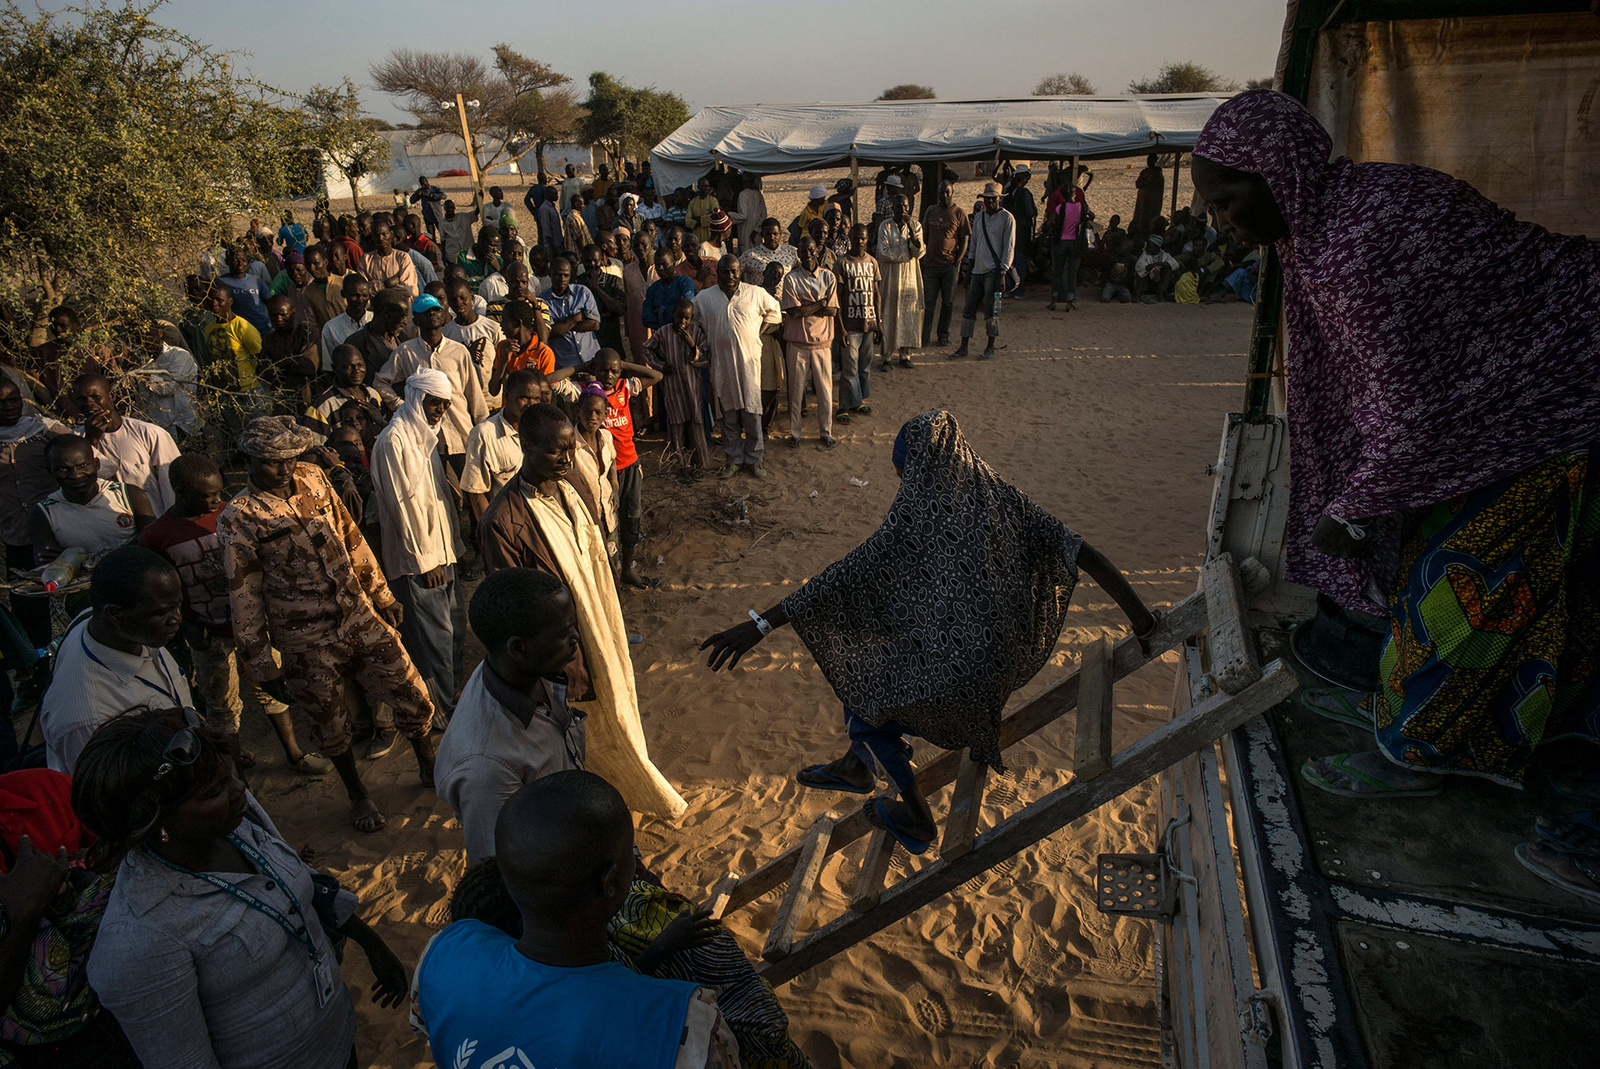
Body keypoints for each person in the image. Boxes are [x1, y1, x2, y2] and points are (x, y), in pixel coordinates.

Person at [1189, 91, 1600, 898]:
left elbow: (1415, 409)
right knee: (1469, 581)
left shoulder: (1355, 251)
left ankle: (1424, 749)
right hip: (1521, 406)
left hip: (1550, 405)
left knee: (1462, 592)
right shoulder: (1339, 214)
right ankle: (1453, 726)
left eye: (1228, 200)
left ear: (1278, 175)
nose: (1220, 222)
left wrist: (1353, 505)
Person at [702, 411, 1158, 852]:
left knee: (866, 690)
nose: (905, 486)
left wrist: (760, 625)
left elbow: (840, 578)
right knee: (870, 645)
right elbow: (1085, 553)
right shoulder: (1001, 497)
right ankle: (856, 764)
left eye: (905, 475)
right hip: (997, 655)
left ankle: (917, 818)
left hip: (961, 673)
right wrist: (1141, 620)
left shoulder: (916, 516)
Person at [78, 707, 409, 1069]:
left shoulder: (233, 821)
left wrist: (372, 944)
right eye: (215, 791)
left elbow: (298, 882)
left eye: (231, 775)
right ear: (155, 820)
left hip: (336, 1037)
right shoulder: (140, 938)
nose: (240, 789)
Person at [411, 771, 737, 1067]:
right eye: (630, 851)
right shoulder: (685, 1027)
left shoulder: (441, 956)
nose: (637, 863)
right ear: (610, 882)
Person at [221, 416, 438, 832]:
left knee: (410, 690)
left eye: (289, 458)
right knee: (328, 722)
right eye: (272, 462)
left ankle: (428, 765)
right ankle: (357, 794)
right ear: (249, 461)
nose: (284, 468)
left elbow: (350, 535)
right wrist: (263, 665)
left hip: (358, 613)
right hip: (305, 639)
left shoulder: (314, 477)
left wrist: (382, 595)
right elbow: (244, 596)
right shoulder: (239, 518)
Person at [479, 404, 687, 819]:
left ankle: (622, 794)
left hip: (602, 632)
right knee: (575, 741)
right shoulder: (503, 521)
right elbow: (514, 607)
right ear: (525, 446)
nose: (567, 458)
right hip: (560, 655)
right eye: (555, 450)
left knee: (618, 716)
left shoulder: (573, 485)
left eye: (570, 448)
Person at [138, 453, 328, 775]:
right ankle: (235, 771)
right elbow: (160, 590)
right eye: (207, 496)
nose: (216, 501)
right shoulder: (157, 537)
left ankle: (294, 753)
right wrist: (185, 625)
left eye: (218, 493)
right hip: (207, 632)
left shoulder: (232, 514)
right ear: (180, 492)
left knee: (271, 686)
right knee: (222, 704)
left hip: (252, 625)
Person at [434, 569, 585, 865]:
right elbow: (500, 868)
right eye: (563, 633)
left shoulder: (518, 672)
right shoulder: (487, 769)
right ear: (518, 648)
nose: (576, 638)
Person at [370, 370, 466, 718]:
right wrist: (425, 561)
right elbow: (402, 508)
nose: (440, 409)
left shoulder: (425, 437)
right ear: (416, 398)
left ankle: (455, 700)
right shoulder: (394, 441)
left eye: (444, 403)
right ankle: (439, 710)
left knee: (454, 631)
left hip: (443, 552)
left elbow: (437, 499)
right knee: (433, 642)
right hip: (420, 563)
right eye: (434, 402)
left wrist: (452, 547)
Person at [37, 545, 184, 773]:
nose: (176, 619)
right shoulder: (88, 719)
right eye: (160, 612)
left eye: (177, 606)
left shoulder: (106, 625)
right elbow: (108, 792)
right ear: (114, 613)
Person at [375, 294, 488, 476]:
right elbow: (380, 381)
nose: (432, 314)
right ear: (416, 320)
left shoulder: (458, 351)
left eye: (436, 310)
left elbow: (474, 395)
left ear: (443, 315)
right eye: (426, 312)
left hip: (461, 434)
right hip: (424, 438)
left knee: (471, 486)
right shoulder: (406, 352)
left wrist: (483, 429)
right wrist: (401, 405)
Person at [694, 255, 782, 479]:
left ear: (740, 271)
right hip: (721, 365)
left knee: (752, 412)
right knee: (728, 414)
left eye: (734, 271)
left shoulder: (755, 293)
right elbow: (691, 319)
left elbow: (775, 311)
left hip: (749, 364)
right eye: (725, 271)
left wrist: (758, 333)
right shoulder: (705, 298)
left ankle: (754, 460)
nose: (730, 276)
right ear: (718, 273)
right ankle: (733, 460)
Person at [589, 350, 664, 587]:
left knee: (631, 517)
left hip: (629, 465)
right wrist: (586, 365)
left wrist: (623, 365)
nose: (609, 375)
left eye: (614, 371)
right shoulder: (588, 393)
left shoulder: (624, 388)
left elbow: (656, 376)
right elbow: (551, 380)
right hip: (601, 471)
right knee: (606, 522)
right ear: (594, 369)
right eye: (603, 370)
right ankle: (611, 574)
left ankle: (627, 570)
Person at [30, 436, 154, 564]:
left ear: (96, 464)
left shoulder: (129, 495)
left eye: (83, 466)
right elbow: (48, 562)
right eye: (63, 469)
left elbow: (152, 543)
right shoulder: (44, 514)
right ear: (50, 472)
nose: (76, 475)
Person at [779, 236, 839, 449]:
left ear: (817, 251)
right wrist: (820, 303)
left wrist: (807, 306)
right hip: (797, 343)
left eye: (811, 250)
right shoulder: (791, 278)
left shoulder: (828, 277)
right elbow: (794, 312)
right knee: (795, 392)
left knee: (825, 392)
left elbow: (832, 310)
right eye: (804, 251)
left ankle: (826, 432)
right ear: (799, 253)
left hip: (823, 344)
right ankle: (795, 433)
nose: (808, 255)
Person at [462, 369, 542, 522]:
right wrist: (490, 530)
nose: (531, 404)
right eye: (524, 398)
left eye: (536, 399)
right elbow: (477, 492)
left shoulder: (543, 429)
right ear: (507, 396)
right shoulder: (484, 434)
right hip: (508, 522)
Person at [643, 297, 712, 469]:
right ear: (673, 314)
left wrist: (691, 345)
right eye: (679, 316)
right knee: (675, 424)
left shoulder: (695, 332)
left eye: (686, 318)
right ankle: (678, 465)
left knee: (696, 422)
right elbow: (647, 348)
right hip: (672, 385)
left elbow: (705, 357)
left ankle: (700, 464)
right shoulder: (663, 332)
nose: (682, 321)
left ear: (691, 318)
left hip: (692, 384)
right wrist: (659, 365)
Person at [949, 182, 1014, 361]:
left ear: (999, 199)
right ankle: (964, 347)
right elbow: (974, 245)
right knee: (968, 309)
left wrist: (1003, 272)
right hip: (977, 269)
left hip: (994, 270)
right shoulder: (979, 218)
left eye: (993, 198)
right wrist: (968, 273)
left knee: (990, 311)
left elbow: (1009, 247)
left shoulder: (1007, 218)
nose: (990, 201)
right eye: (987, 198)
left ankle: (990, 346)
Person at [875, 195, 924, 369]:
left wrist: (911, 231)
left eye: (905, 206)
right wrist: (905, 256)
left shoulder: (916, 226)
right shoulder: (885, 226)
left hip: (910, 276)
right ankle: (886, 357)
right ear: (893, 208)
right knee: (888, 313)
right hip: (891, 276)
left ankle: (905, 355)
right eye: (899, 206)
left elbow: (919, 251)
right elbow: (883, 252)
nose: (902, 210)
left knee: (908, 314)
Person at [919, 181, 969, 348]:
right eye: (941, 193)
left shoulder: (959, 213)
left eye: (947, 192)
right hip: (931, 265)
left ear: (952, 193)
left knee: (948, 302)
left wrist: (957, 261)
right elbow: (924, 235)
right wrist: (925, 255)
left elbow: (964, 239)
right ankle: (924, 336)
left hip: (949, 266)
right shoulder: (931, 211)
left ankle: (943, 335)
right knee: (928, 302)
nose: (944, 196)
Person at [130, 324, 199, 442]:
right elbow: (144, 398)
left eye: (149, 336)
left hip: (182, 424)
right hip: (160, 427)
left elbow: (168, 388)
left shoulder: (179, 355)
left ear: (159, 333)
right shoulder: (143, 362)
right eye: (140, 338)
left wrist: (145, 374)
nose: (146, 341)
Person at [306, 343, 389, 432]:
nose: (356, 370)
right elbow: (313, 439)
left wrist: (381, 422)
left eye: (360, 365)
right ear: (335, 368)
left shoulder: (373, 395)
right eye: (349, 367)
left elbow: (386, 432)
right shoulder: (324, 406)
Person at [543, 257, 603, 371]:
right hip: (565, 366)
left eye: (566, 275)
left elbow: (595, 324)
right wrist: (576, 318)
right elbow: (551, 333)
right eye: (558, 275)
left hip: (591, 361)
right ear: (550, 274)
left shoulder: (583, 292)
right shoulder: (543, 301)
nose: (562, 279)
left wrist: (562, 326)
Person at [1045, 171, 1092, 311]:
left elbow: (1049, 222)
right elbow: (1092, 216)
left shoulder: (1061, 207)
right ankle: (1070, 300)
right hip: (1076, 243)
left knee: (1058, 272)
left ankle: (1054, 300)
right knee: (1072, 273)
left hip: (1062, 241)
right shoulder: (1082, 207)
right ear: (1075, 194)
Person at [578, 244, 627, 355]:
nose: (592, 265)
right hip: (587, 342)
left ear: (602, 260)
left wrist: (596, 287)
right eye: (587, 261)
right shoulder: (577, 284)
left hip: (610, 338)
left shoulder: (613, 281)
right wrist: (605, 312)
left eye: (595, 261)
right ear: (582, 260)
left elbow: (620, 309)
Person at [318, 275, 372, 372]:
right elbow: (328, 367)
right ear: (343, 294)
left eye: (364, 296)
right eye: (355, 296)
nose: (360, 300)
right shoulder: (331, 328)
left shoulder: (375, 320)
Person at [214, 246, 272, 335]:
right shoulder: (220, 282)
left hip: (262, 329)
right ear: (227, 261)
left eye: (243, 260)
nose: (240, 264)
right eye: (235, 260)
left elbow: (269, 303)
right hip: (238, 331)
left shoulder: (257, 281)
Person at [1001, 165, 1037, 297]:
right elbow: (1030, 212)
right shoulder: (1024, 193)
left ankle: (1008, 287)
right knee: (1020, 261)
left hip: (1008, 231)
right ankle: (1018, 289)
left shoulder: (1008, 192)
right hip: (1022, 232)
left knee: (1009, 260)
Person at [644, 249, 698, 332]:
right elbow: (646, 318)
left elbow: (685, 311)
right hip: (662, 336)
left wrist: (660, 311)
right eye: (657, 265)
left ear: (673, 263)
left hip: (683, 335)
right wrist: (671, 315)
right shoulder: (653, 289)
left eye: (664, 264)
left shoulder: (685, 283)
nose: (661, 268)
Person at [738, 218, 796, 286]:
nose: (772, 237)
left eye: (775, 234)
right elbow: (734, 271)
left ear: (780, 234)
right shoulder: (750, 255)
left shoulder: (791, 252)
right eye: (768, 234)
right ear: (762, 235)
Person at [1133, 235, 1179, 302]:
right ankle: (1137, 295)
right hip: (1148, 283)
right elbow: (1139, 266)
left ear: (1156, 247)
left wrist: (1158, 264)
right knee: (1142, 272)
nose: (1147, 247)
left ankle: (1161, 294)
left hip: (1160, 284)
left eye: (1149, 246)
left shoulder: (1164, 255)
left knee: (1167, 270)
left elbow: (1175, 264)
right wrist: (1151, 268)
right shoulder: (1145, 254)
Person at [1132, 153, 1166, 238]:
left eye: (1150, 160)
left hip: (1152, 200)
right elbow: (1138, 184)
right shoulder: (1145, 172)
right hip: (1143, 199)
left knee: (1150, 217)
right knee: (1141, 216)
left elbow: (1155, 183)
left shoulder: (1157, 173)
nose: (1148, 162)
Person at [438, 198, 476, 264]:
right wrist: (443, 255)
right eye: (448, 208)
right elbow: (443, 240)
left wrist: (479, 199)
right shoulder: (442, 223)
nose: (450, 210)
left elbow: (475, 213)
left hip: (468, 251)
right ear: (445, 209)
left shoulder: (464, 217)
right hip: (452, 253)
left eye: (451, 208)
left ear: (454, 208)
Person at [411, 175, 446, 240]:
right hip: (427, 215)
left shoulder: (435, 189)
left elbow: (443, 196)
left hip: (437, 214)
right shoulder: (420, 191)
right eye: (422, 185)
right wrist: (417, 195)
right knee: (431, 235)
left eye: (424, 184)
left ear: (427, 181)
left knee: (442, 233)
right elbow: (412, 201)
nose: (424, 186)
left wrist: (429, 195)